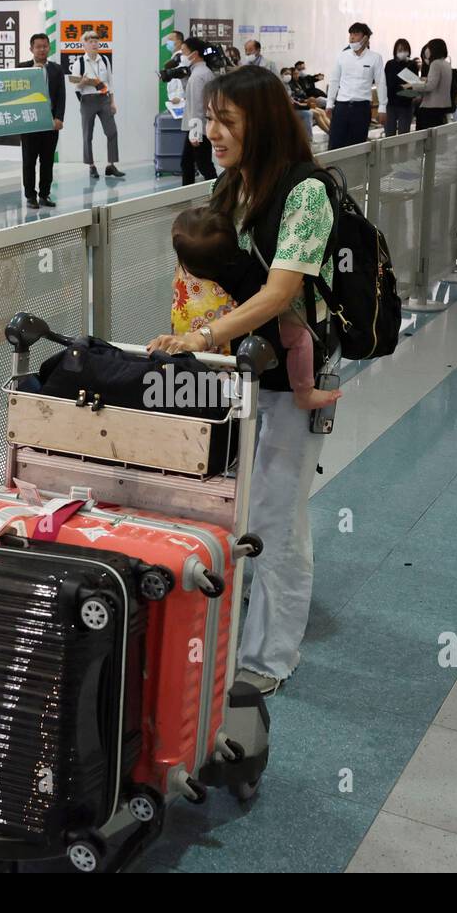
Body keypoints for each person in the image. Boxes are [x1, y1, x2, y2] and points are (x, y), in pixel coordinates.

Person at [149, 65, 336, 693]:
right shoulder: (234, 184)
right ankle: (231, 634)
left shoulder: (306, 192)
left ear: (264, 123)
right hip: (234, 376)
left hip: (287, 374)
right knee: (236, 509)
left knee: (279, 521)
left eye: (227, 120)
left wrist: (204, 337)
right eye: (210, 118)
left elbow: (282, 291)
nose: (214, 132)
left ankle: (269, 657)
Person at [171, 206, 342, 414]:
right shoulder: (243, 270)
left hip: (198, 352)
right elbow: (267, 301)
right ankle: (304, 392)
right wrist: (291, 288)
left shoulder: (183, 274)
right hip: (239, 348)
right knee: (301, 337)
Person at [17, 32, 66, 209]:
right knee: (29, 161)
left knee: (47, 161)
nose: (42, 49)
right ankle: (30, 196)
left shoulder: (56, 69)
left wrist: (59, 117)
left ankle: (45, 194)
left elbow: (61, 96)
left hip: (50, 122)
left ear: (49, 48)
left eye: (45, 46)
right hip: (29, 122)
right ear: (31, 49)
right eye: (38, 46)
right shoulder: (21, 68)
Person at [68, 30, 124, 180]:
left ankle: (110, 165)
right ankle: (91, 166)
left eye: (96, 41)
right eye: (90, 41)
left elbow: (110, 83)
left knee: (112, 132)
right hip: (87, 101)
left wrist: (112, 102)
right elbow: (76, 86)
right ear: (84, 44)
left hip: (104, 99)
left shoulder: (105, 60)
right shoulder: (79, 63)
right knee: (88, 135)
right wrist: (82, 82)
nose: (94, 43)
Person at [326, 22, 385, 148]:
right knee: (335, 144)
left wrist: (382, 107)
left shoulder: (375, 58)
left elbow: (381, 83)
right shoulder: (342, 56)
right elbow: (334, 80)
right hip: (341, 106)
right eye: (351, 34)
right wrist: (329, 104)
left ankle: (354, 168)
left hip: (361, 108)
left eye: (356, 34)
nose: (352, 37)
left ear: (365, 38)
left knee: (357, 146)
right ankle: (332, 168)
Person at [179, 37, 218, 185]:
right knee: (190, 163)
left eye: (183, 52)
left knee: (203, 165)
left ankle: (217, 193)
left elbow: (197, 105)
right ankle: (188, 195)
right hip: (201, 127)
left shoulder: (198, 76)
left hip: (198, 129)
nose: (181, 56)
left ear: (194, 54)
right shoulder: (202, 72)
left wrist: (195, 132)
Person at [407, 39, 453, 129]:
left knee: (425, 137)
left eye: (428, 47)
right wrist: (426, 79)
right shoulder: (447, 64)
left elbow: (430, 86)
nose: (427, 50)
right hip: (443, 105)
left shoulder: (435, 64)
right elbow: (439, 82)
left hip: (431, 107)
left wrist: (413, 85)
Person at [383, 38, 418, 135]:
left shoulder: (412, 65)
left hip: (406, 105)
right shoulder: (390, 64)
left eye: (405, 50)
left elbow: (414, 85)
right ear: (395, 51)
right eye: (400, 50)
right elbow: (386, 83)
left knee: (404, 134)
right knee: (389, 134)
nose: (402, 52)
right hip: (390, 104)